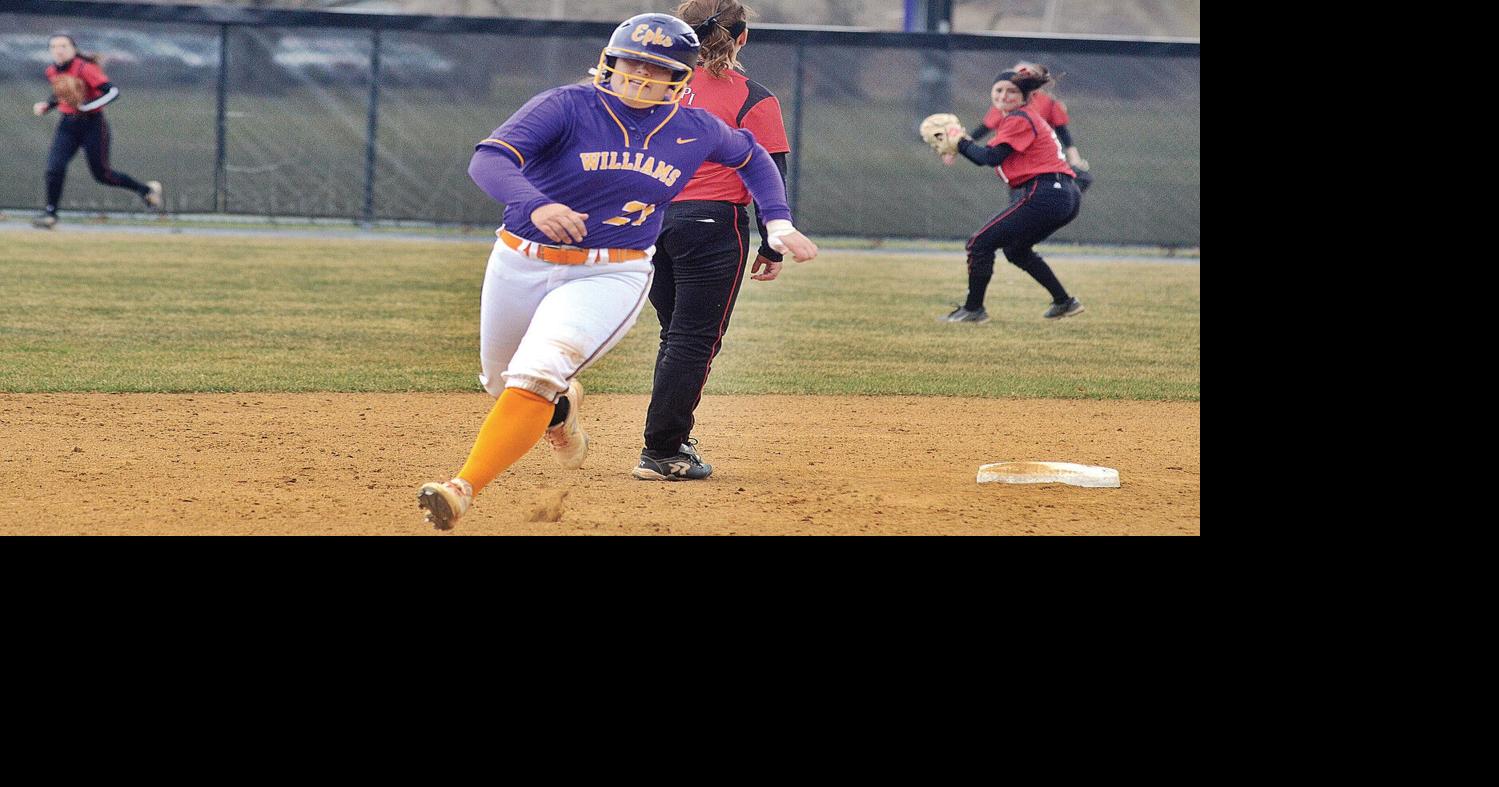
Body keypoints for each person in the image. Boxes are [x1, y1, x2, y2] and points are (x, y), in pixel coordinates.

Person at [417, 12, 818, 530]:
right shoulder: (567, 106)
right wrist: (534, 203)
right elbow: (489, 159)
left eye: (655, 68)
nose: (639, 74)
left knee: (537, 373)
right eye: (631, 61)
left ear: (681, 77)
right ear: (608, 61)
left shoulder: (692, 127)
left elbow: (754, 157)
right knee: (501, 382)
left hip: (610, 272)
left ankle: (461, 489)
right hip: (520, 257)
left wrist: (778, 222)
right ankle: (559, 411)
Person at [633, 0, 796, 482]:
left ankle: (668, 437)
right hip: (711, 224)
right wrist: (773, 243)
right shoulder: (751, 96)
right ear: (742, 37)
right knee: (692, 340)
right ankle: (662, 450)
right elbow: (772, 173)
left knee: (675, 335)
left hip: (645, 221)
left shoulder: (651, 86)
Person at [939, 70, 1084, 323]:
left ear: (1025, 96)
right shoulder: (1020, 119)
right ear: (991, 94)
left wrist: (959, 141)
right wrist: (961, 145)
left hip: (1047, 192)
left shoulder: (1020, 118)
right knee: (1016, 250)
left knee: (980, 243)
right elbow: (986, 155)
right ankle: (1064, 302)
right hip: (1062, 194)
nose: (1004, 95)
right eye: (999, 90)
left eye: (1012, 91)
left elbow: (989, 158)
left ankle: (973, 309)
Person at [30, 33, 163, 229]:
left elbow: (112, 92)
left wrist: (87, 106)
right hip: (67, 124)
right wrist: (48, 106)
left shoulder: (85, 68)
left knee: (102, 174)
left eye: (64, 46)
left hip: (92, 124)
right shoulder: (52, 71)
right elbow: (62, 93)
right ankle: (51, 214)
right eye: (54, 47)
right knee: (54, 168)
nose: (59, 50)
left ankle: (146, 190)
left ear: (73, 49)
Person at [967, 61, 1092, 192]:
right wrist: (962, 141)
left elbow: (1062, 130)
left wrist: (1074, 156)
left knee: (1078, 180)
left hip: (1039, 169)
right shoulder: (1006, 104)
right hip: (1020, 169)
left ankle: (1065, 193)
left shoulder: (1042, 103)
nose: (1004, 95)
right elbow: (985, 129)